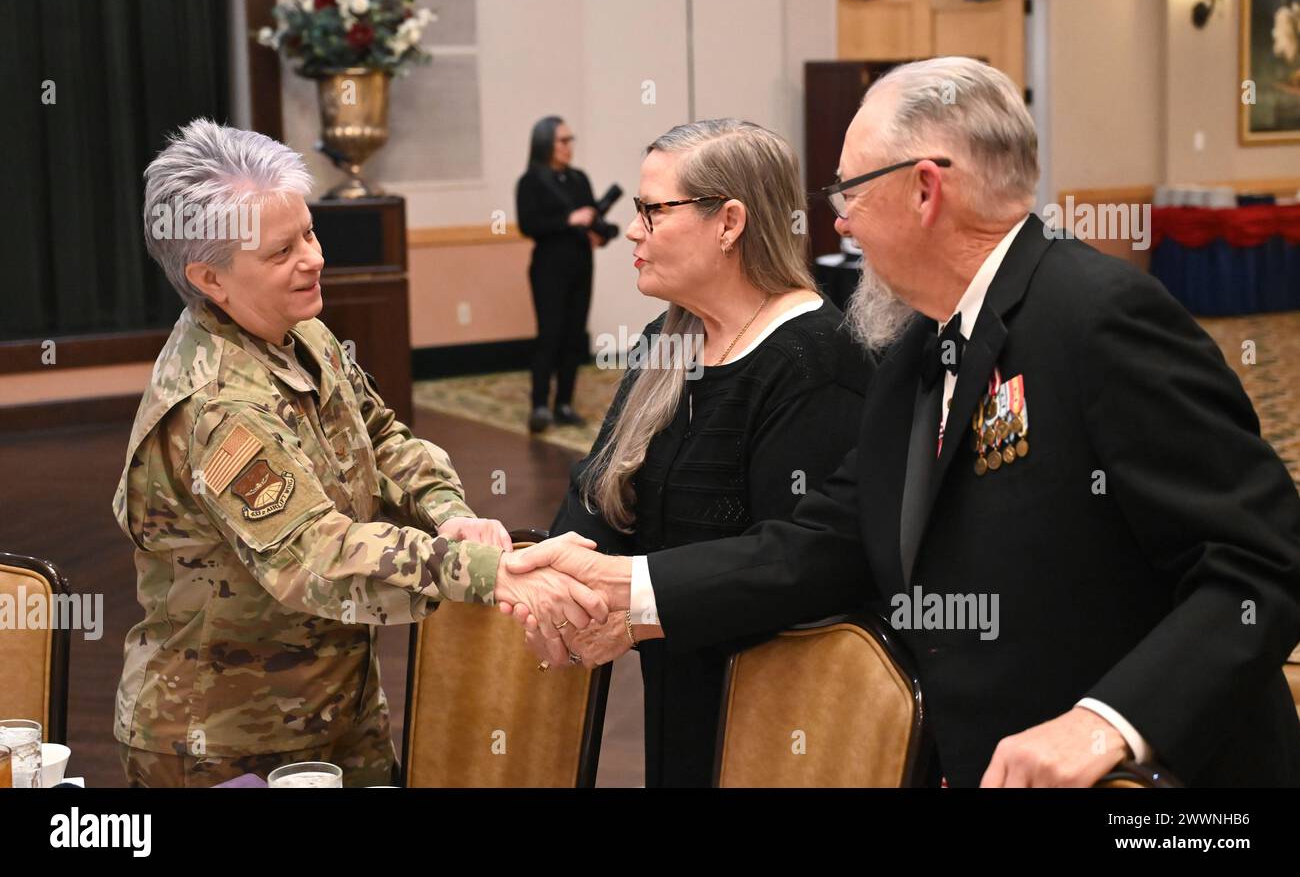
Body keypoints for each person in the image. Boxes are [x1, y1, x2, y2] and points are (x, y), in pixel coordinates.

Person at [502, 58, 1300, 787]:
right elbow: (826, 542)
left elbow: (1261, 563)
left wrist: (1109, 722)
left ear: (924, 189)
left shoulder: (1099, 318)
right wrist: (633, 590)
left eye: (849, 192)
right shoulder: (915, 345)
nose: (839, 223)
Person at [114, 119, 605, 787]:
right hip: (227, 741)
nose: (314, 258)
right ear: (210, 279)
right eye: (282, 250)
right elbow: (316, 557)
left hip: (338, 709)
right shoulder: (217, 406)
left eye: (309, 233)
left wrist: (445, 510)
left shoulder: (299, 330)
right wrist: (485, 571)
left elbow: (379, 435)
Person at [536, 119, 871, 787]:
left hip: (776, 719)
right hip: (680, 691)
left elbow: (795, 567)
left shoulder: (815, 358)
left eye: (652, 212)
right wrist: (563, 574)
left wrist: (635, 606)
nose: (633, 231)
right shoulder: (673, 335)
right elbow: (603, 484)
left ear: (729, 222)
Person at [516, 116, 604, 433]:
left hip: (581, 265)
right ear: (545, 144)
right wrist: (569, 220)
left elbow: (595, 218)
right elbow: (530, 225)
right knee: (550, 334)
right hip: (549, 268)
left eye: (570, 140)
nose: (569, 147)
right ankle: (540, 406)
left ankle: (564, 404)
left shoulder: (579, 179)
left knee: (574, 336)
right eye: (562, 141)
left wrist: (601, 232)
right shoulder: (531, 181)